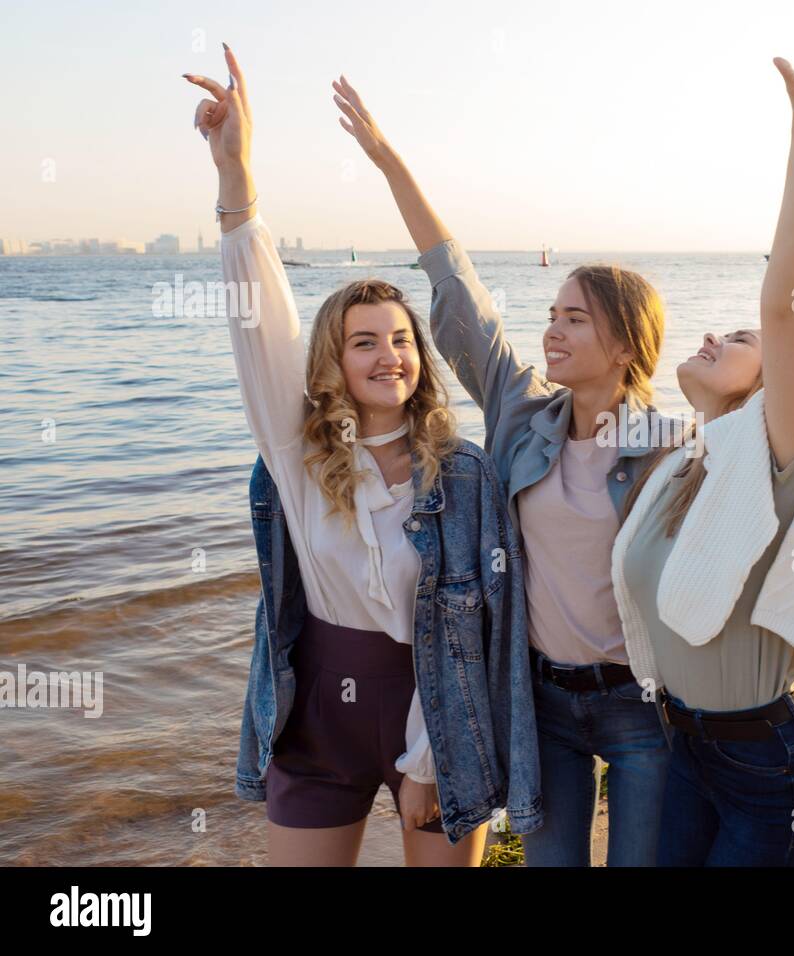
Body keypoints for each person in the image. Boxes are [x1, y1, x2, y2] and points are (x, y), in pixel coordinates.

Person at [184, 43, 541, 867]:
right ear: (332, 362)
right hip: (315, 717)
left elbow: (474, 625)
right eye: (364, 342)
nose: (389, 355)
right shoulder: (298, 455)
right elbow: (258, 326)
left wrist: (424, 759)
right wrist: (236, 181)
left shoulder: (463, 472)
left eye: (402, 340)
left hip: (439, 720)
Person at [331, 75, 676, 866]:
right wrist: (387, 161)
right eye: (551, 315)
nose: (551, 332)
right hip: (541, 704)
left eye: (574, 320)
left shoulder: (670, 443)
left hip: (642, 707)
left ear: (625, 346)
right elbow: (458, 288)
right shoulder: (524, 413)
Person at [610, 29, 794, 866]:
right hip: (684, 745)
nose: (714, 335)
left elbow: (788, 307)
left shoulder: (786, 445)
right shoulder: (685, 462)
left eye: (736, 336)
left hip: (772, 760)